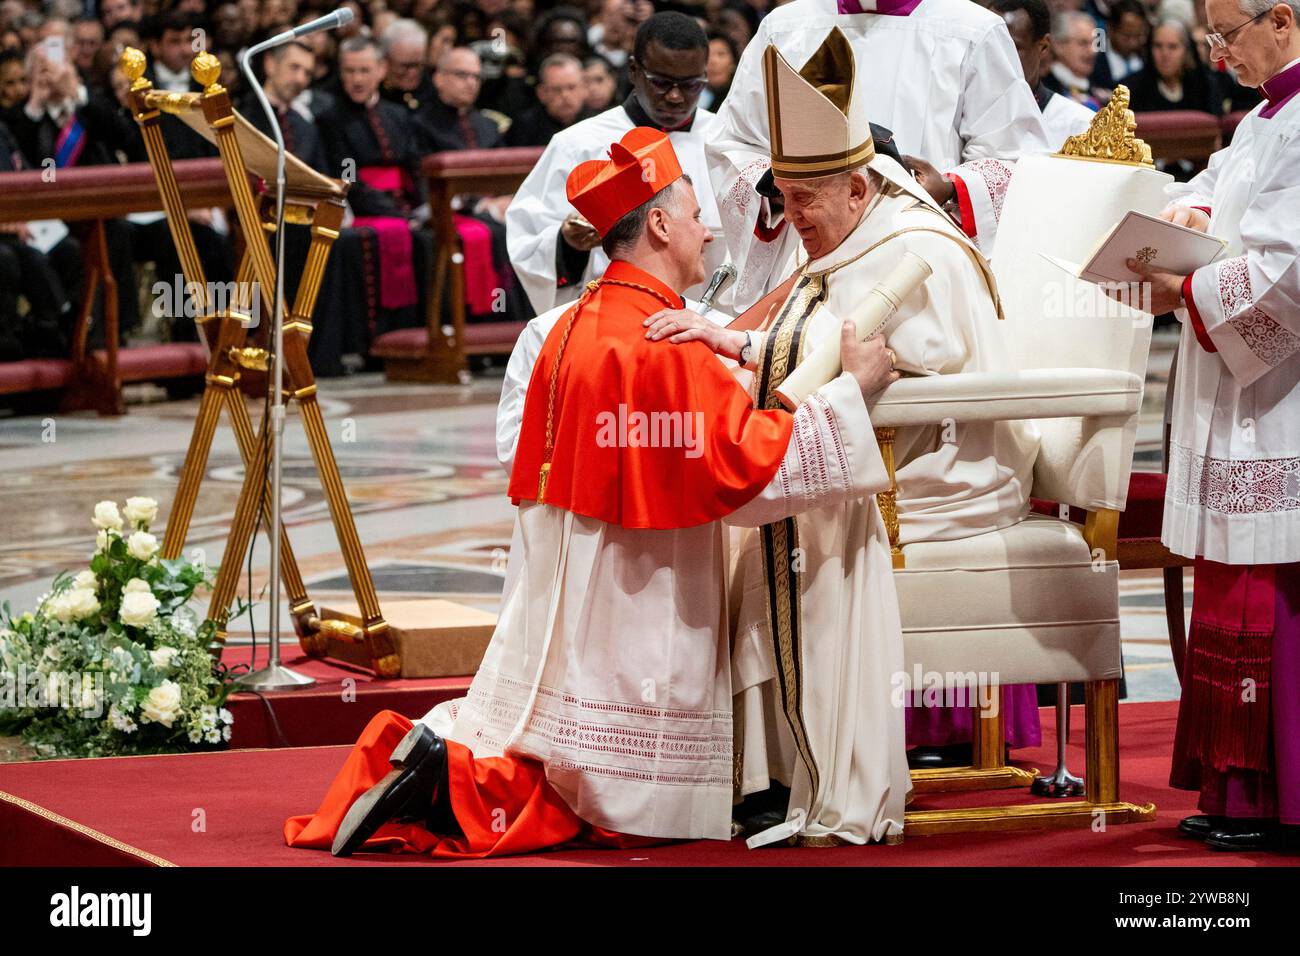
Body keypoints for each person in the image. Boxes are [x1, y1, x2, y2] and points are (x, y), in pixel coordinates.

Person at [284, 127, 900, 858]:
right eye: (696, 214)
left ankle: (434, 768)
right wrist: (849, 395)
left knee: (563, 755)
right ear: (662, 224)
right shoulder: (662, 341)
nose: (708, 232)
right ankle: (452, 789)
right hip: (640, 592)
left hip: (573, 575)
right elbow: (743, 470)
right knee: (611, 802)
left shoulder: (572, 325)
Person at [698, 26, 1042, 783]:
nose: (791, 220)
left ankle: (810, 770)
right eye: (783, 200)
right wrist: (739, 345)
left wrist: (840, 385)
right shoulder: (856, 234)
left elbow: (899, 376)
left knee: (772, 524)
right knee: (735, 521)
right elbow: (823, 348)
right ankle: (759, 768)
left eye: (804, 200)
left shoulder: (917, 249)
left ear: (859, 187)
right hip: (898, 458)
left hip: (948, 478)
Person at [1114, 0, 1300, 853]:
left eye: (1227, 34)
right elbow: (1215, 198)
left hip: (1282, 402)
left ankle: (1278, 797)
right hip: (1242, 397)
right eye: (1209, 38)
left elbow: (1290, 273)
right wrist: (1182, 222)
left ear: (1284, 21)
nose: (1216, 52)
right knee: (1234, 586)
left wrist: (1186, 286)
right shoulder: (1265, 120)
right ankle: (1237, 793)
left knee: (1271, 597)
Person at [708, 0, 1051, 313]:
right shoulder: (784, 27)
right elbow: (735, 143)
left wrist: (948, 188)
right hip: (804, 255)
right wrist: (784, 188)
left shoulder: (973, 30)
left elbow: (1016, 158)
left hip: (919, 255)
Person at [506, 12, 725, 314]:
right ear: (634, 70)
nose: (675, 97)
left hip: (711, 323)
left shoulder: (726, 141)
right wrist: (567, 244)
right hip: (611, 322)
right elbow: (526, 242)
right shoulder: (577, 144)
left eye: (691, 85)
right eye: (661, 83)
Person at [994, 0, 1097, 147]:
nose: (997, 55)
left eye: (1012, 47)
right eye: (990, 45)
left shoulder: (1078, 125)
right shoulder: (961, 110)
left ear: (1043, 46)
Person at [1128, 19, 1225, 115]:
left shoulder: (1205, 88)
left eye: (1172, 47)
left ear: (1186, 52)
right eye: (1158, 46)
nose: (1165, 54)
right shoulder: (1131, 91)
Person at [503, 51, 588, 146]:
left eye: (571, 87)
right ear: (541, 93)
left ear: (584, 88)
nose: (565, 95)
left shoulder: (599, 122)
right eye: (556, 89)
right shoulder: (523, 127)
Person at [1045, 9, 1106, 106]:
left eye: (1095, 43)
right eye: (1083, 43)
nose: (1093, 51)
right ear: (1058, 46)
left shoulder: (1098, 86)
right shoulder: (1044, 89)